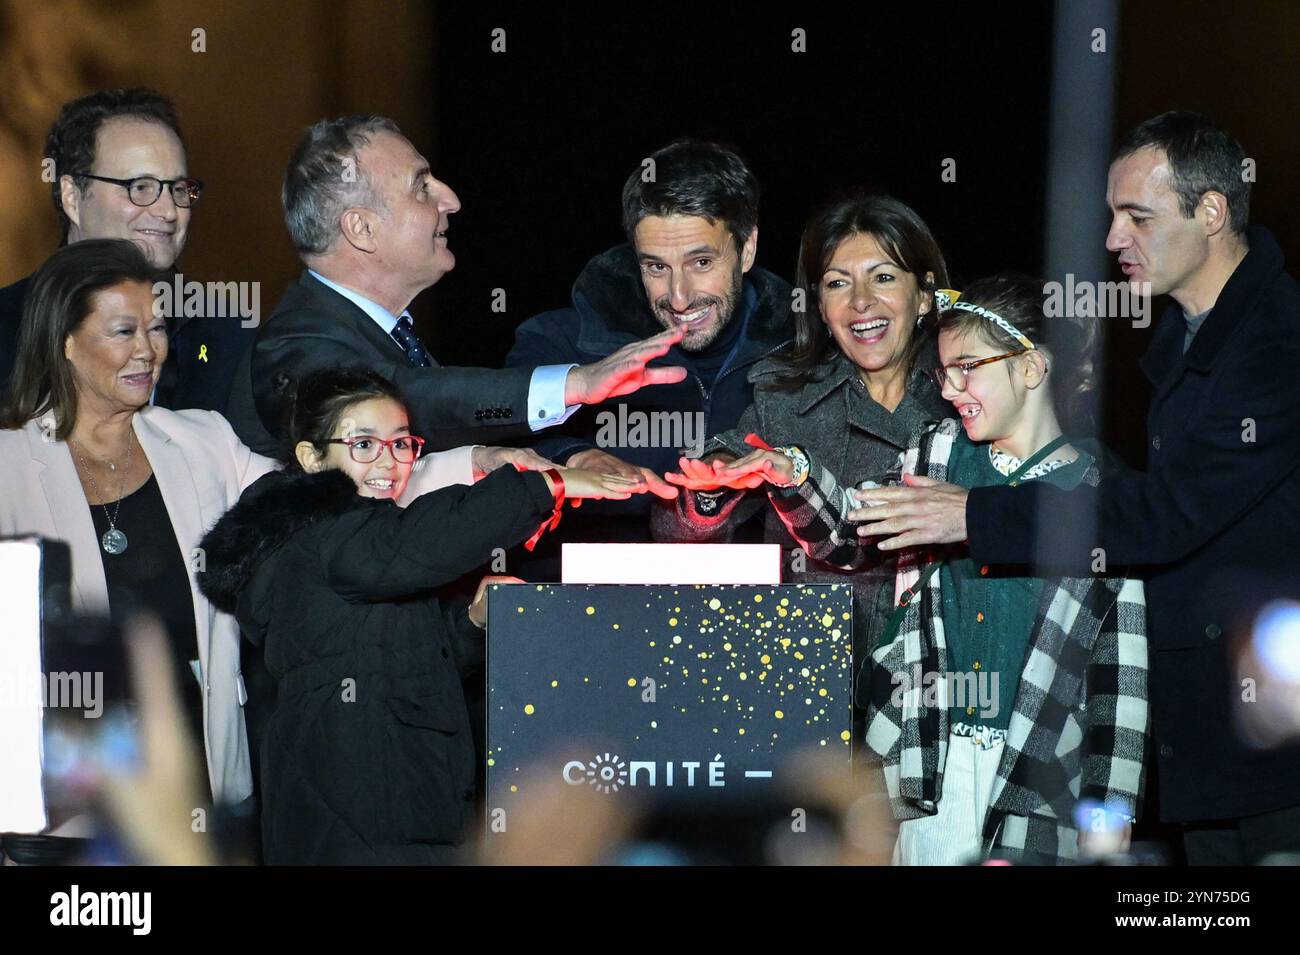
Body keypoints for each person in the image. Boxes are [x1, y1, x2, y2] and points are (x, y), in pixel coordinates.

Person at [852, 111, 1300, 864]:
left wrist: (975, 514)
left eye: (1137, 216)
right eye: (1110, 215)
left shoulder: (1274, 344)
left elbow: (1165, 516)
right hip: (1214, 749)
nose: (1113, 239)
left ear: (1212, 210)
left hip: (1274, 748)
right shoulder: (1186, 340)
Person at [0, 239, 510, 860]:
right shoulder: (8, 465)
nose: (147, 350)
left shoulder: (202, 441)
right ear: (66, 342)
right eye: (123, 330)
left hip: (203, 796)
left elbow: (333, 483)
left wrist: (485, 462)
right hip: (65, 809)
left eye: (157, 329)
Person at [197, 368, 646, 864]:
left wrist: (472, 624)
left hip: (400, 806)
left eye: (401, 444)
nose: (388, 463)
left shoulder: (356, 546)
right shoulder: (326, 537)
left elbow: (395, 658)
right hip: (360, 812)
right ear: (311, 457)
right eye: (363, 444)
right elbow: (427, 538)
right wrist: (548, 485)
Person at [858, 275, 1148, 864]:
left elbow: (1121, 674)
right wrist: (790, 471)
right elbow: (848, 525)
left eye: (968, 366)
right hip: (933, 759)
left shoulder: (1101, 497)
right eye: (943, 372)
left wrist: (1112, 805)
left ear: (1032, 368)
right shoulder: (938, 456)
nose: (951, 388)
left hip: (1039, 777)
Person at [226, 115, 688, 463]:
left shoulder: (381, 335)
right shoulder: (295, 344)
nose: (451, 200)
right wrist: (576, 383)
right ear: (361, 229)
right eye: (421, 187)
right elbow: (405, 400)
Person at [655, 195, 950, 736]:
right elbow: (678, 530)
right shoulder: (784, 399)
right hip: (808, 686)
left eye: (883, 277)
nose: (861, 302)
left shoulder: (970, 395)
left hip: (937, 693)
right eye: (838, 283)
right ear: (818, 302)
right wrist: (711, 489)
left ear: (925, 294)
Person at [0, 87, 252, 412]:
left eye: (177, 189)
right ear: (73, 197)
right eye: (140, 187)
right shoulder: (7, 327)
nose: (168, 211)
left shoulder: (226, 333)